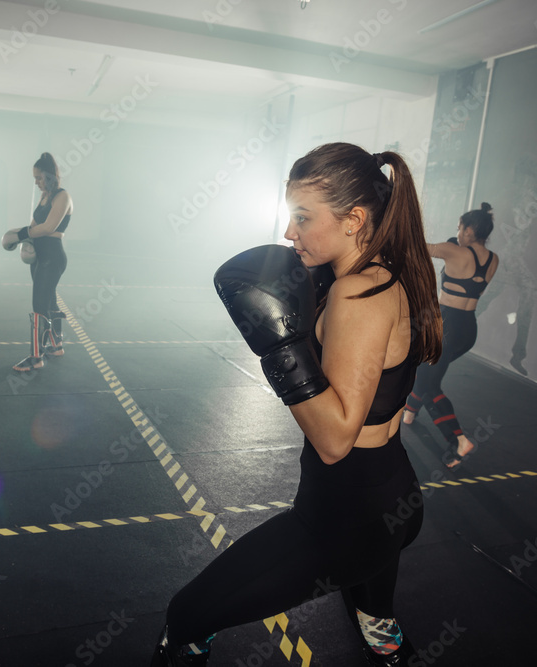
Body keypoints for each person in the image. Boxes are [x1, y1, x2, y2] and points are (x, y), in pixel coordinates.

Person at [150, 143, 442, 666]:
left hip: (343, 517)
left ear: (354, 219)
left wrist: (280, 348)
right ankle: (385, 636)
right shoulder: (389, 272)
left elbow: (333, 441)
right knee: (378, 623)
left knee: (186, 614)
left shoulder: (357, 294)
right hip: (392, 498)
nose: (290, 233)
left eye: (304, 218)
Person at [402, 203, 497, 468]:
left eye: (459, 228)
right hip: (468, 329)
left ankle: (458, 440)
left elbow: (416, 247)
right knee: (426, 370)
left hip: (448, 325)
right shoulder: (493, 258)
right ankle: (410, 411)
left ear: (469, 230)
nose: (457, 232)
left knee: (431, 383)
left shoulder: (453, 251)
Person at [2, 153, 72, 371]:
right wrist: (21, 235)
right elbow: (34, 226)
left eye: (39, 178)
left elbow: (48, 228)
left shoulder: (62, 196)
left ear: (49, 176)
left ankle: (36, 357)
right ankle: (56, 345)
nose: (36, 182)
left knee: (39, 306)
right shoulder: (44, 198)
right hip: (40, 257)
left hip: (52, 256)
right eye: (34, 178)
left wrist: (20, 233)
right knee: (49, 301)